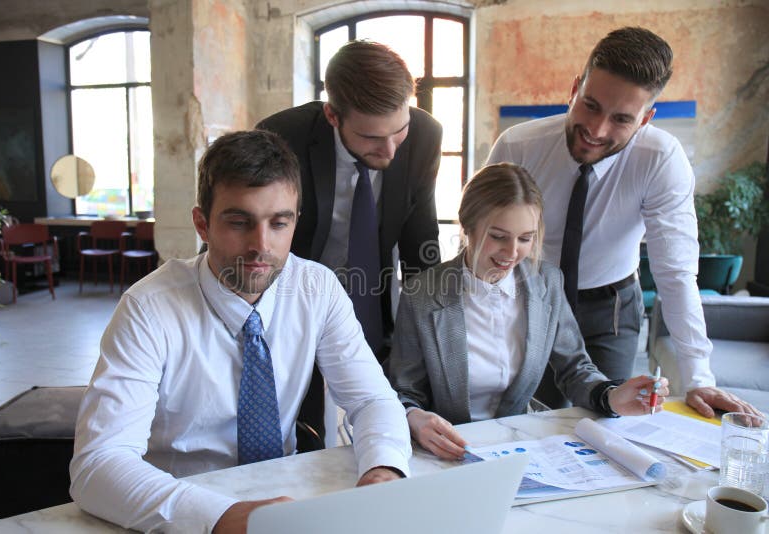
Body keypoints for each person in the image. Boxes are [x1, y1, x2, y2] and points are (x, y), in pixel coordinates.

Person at [69, 130, 411, 533]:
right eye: (239, 222)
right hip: (179, 510)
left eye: (279, 223)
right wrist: (219, 517)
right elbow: (98, 464)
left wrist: (384, 469)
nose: (260, 246)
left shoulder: (317, 288)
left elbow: (371, 398)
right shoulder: (149, 308)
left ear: (295, 221)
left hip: (288, 503)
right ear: (202, 223)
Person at [485, 26, 759, 418]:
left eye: (621, 119)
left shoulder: (661, 159)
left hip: (610, 307)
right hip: (532, 295)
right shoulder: (518, 146)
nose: (597, 131)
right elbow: (481, 241)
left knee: (607, 420)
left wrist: (699, 377)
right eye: (591, 105)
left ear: (646, 118)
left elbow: (676, 272)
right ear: (574, 89)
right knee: (529, 417)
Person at [389, 163, 670, 460]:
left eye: (525, 238)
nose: (512, 253)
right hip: (445, 448)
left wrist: (612, 396)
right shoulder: (421, 293)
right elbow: (404, 391)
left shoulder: (547, 283)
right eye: (498, 236)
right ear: (467, 226)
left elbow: (574, 367)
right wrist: (412, 417)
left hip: (518, 445)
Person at [257, 40, 443, 439]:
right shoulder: (281, 136)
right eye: (372, 138)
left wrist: (431, 331)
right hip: (294, 294)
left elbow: (419, 242)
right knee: (299, 415)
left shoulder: (425, 135)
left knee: (379, 403)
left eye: (399, 130)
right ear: (332, 115)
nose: (391, 149)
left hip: (370, 295)